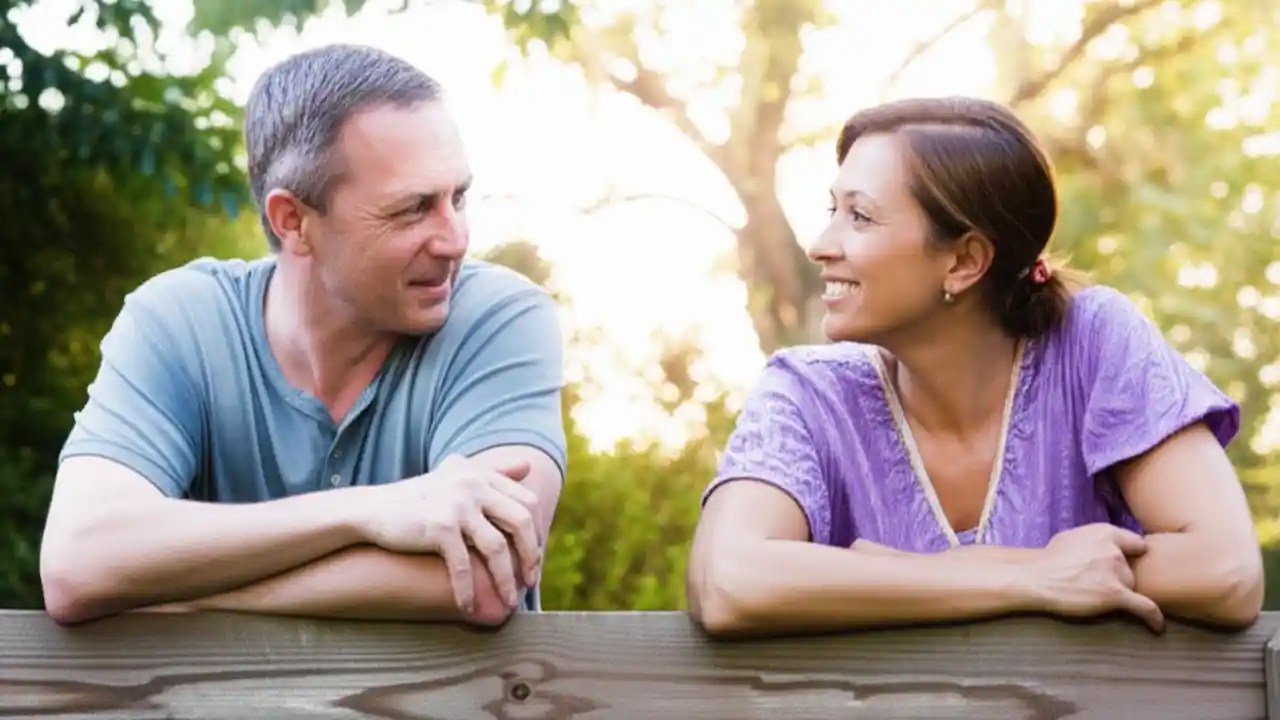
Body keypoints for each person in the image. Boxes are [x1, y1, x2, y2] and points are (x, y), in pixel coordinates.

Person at [687, 96, 1263, 637]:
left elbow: (1225, 569)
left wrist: (888, 576)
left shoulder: (1091, 341)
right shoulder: (807, 393)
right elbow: (728, 581)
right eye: (833, 210)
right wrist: (1031, 575)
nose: (820, 244)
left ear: (964, 261)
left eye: (859, 217)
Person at [39, 44, 566, 627]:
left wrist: (191, 600)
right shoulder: (180, 321)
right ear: (293, 220)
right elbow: (77, 562)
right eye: (413, 209)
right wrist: (372, 511)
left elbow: (488, 579)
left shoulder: (499, 319)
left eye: (458, 198)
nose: (455, 240)